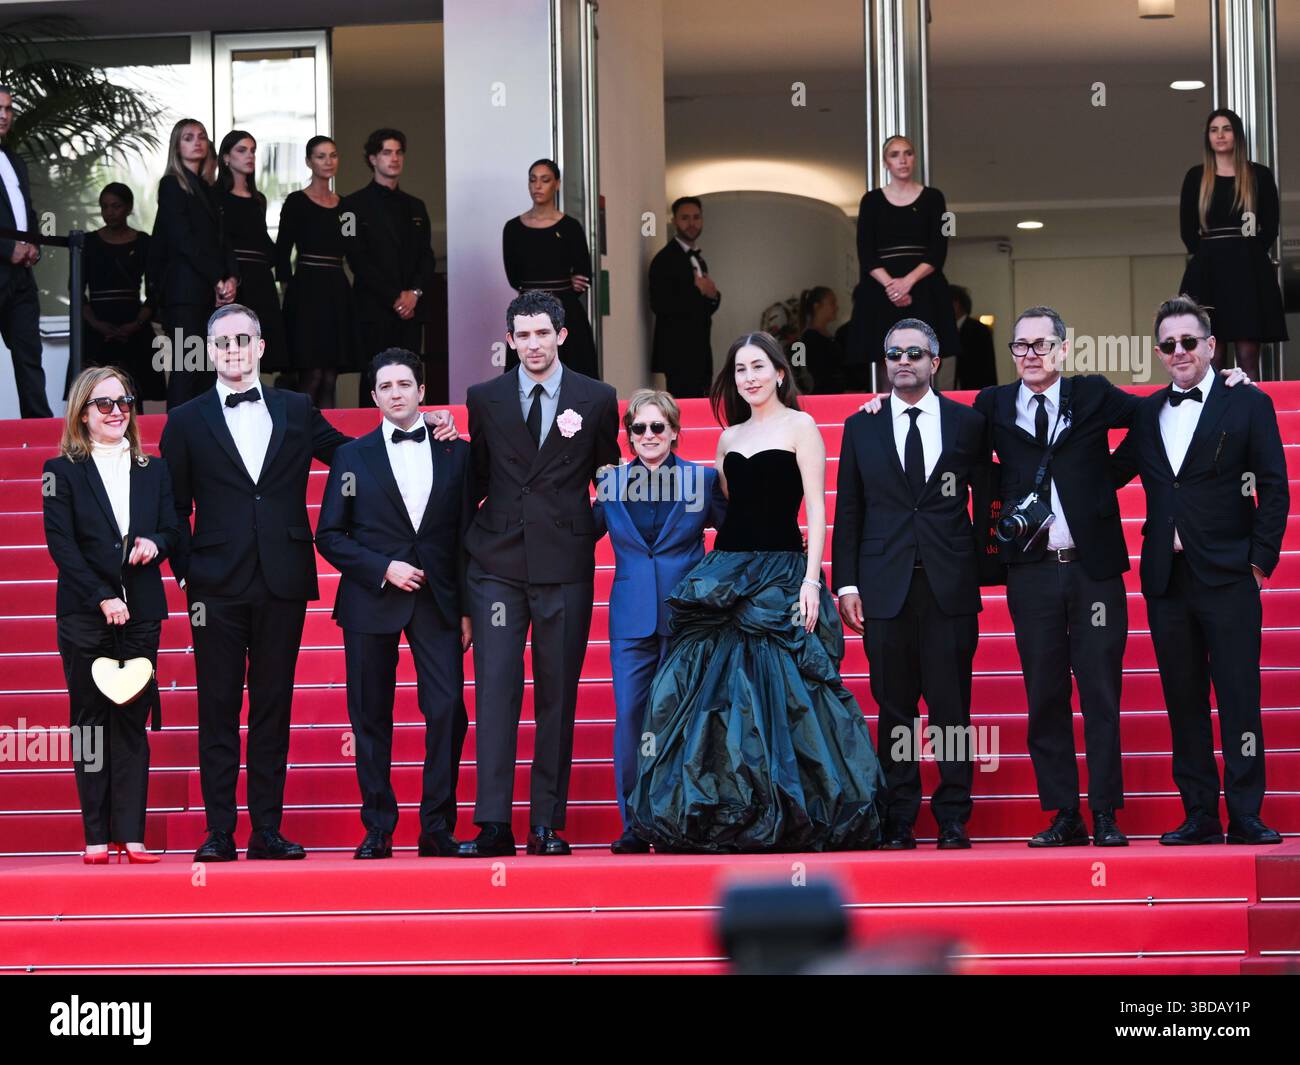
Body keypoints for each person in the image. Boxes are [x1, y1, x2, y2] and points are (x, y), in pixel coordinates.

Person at [160, 303, 458, 862]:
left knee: (274, 707)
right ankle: (219, 830)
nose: (232, 352)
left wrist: (428, 428)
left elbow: (357, 454)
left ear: (261, 347)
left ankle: (265, 831)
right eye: (222, 344)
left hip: (283, 579)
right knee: (217, 708)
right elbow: (174, 506)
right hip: (215, 586)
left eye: (242, 341)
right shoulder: (186, 419)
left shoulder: (296, 408)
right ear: (209, 351)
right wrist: (185, 572)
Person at [971, 306, 1250, 848]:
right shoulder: (993, 404)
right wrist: (880, 404)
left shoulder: (1091, 394)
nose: (1031, 355)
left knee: (1101, 694)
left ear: (1063, 349)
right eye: (1020, 346)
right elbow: (957, 445)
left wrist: (1227, 385)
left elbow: (1157, 411)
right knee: (1044, 697)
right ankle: (1063, 815)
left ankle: (1103, 813)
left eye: (1041, 345)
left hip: (1093, 571)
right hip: (1031, 573)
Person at [627, 332, 884, 853]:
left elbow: (817, 511)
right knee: (714, 699)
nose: (749, 377)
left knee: (787, 695)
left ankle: (791, 811)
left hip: (782, 574)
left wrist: (813, 582)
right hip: (726, 576)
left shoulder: (802, 426)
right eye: (740, 369)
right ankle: (725, 809)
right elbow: (725, 510)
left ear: (780, 373)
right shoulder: (727, 438)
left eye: (758, 367)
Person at [1111, 295, 1288, 846]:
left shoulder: (1247, 403)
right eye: (1169, 344)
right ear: (1160, 353)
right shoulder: (1146, 412)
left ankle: (1246, 811)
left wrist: (1259, 562)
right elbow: (1109, 474)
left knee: (1239, 697)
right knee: (1182, 700)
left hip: (1231, 575)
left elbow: (1275, 486)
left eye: (1189, 341)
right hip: (1168, 579)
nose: (1179, 351)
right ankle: (1199, 813)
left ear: (1211, 346)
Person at [458, 290, 620, 858]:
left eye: (542, 334)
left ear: (562, 336)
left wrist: (584, 525)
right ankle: (494, 823)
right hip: (496, 566)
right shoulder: (484, 398)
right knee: (496, 691)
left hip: (565, 567)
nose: (532, 344)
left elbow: (612, 478)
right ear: (510, 339)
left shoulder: (597, 398)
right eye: (522, 335)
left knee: (558, 696)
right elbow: (472, 481)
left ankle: (546, 824)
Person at [834, 319, 989, 850]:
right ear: (885, 361)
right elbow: (849, 509)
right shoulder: (863, 427)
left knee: (951, 708)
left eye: (915, 353)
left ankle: (952, 816)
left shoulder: (968, 424)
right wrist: (846, 582)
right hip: (883, 586)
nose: (904, 360)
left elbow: (989, 497)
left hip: (948, 586)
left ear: (934, 362)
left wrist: (987, 567)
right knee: (895, 708)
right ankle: (899, 815)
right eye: (895, 352)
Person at [316, 349, 472, 859]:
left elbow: (469, 534)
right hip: (370, 597)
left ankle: (437, 827)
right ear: (374, 396)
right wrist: (384, 567)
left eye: (405, 384)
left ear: (422, 392)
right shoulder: (351, 457)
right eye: (386, 386)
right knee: (369, 715)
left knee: (448, 709)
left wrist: (469, 606)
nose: (397, 393)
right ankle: (378, 827)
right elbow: (330, 535)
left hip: (438, 598)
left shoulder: (458, 452)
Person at [44, 367, 181, 863]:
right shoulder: (59, 472)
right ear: (83, 414)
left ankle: (134, 834)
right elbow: (62, 546)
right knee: (90, 724)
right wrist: (103, 595)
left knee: (132, 722)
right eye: (104, 404)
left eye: (124, 400)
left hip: (142, 611)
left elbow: (172, 528)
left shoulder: (154, 469)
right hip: (85, 612)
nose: (117, 411)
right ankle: (97, 838)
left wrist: (157, 543)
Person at [592, 389, 726, 854]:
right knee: (631, 720)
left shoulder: (702, 481)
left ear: (674, 431)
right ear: (628, 435)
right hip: (630, 621)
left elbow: (735, 534)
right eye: (639, 428)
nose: (649, 435)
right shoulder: (610, 483)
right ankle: (636, 824)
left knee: (684, 719)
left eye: (658, 427)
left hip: (687, 620)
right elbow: (573, 532)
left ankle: (681, 820)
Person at [1178, 108, 1287, 381]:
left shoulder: (1258, 175)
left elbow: (1270, 226)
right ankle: (1217, 420)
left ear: (1236, 135)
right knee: (1212, 353)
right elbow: (1187, 230)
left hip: (1247, 271)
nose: (1220, 135)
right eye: (1214, 130)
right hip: (1209, 270)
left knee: (1249, 353)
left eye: (1226, 129)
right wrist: (1206, 256)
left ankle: (1251, 417)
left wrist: (1248, 253)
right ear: (1208, 137)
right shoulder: (1196, 177)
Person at [848, 135, 960, 391]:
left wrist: (907, 283)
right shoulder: (872, 201)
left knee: (928, 351)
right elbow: (865, 252)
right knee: (884, 355)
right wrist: (891, 286)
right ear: (885, 162)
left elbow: (938, 250)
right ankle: (889, 419)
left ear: (914, 158)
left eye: (908, 153)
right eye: (895, 154)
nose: (903, 160)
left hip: (924, 285)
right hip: (880, 288)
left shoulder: (933, 198)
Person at [342, 128, 437, 407]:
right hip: (373, 308)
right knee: (374, 375)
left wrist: (414, 294)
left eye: (398, 152)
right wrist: (394, 297)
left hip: (410, 310)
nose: (394, 158)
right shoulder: (349, 207)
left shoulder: (417, 206)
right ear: (372, 158)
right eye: (386, 152)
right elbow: (356, 258)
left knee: (410, 374)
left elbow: (427, 256)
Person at [148, 118, 238, 409]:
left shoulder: (208, 189)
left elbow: (223, 241)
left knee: (207, 369)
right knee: (187, 366)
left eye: (201, 136)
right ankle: (175, 441)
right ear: (177, 145)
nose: (197, 141)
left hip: (208, 292)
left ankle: (199, 441)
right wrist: (217, 277)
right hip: (184, 293)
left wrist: (230, 277)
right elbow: (181, 239)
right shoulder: (172, 185)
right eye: (188, 137)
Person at [275, 136, 358, 409]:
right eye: (321, 156)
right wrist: (287, 290)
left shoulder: (347, 208)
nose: (328, 161)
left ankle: (328, 441)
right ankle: (303, 437)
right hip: (307, 289)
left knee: (331, 375)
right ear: (309, 162)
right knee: (312, 372)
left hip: (336, 288)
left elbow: (354, 249)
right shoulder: (296, 202)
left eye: (333, 155)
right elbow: (282, 250)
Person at [501, 159, 598, 378]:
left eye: (545, 180)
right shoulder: (513, 228)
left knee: (575, 373)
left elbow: (584, 274)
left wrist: (564, 287)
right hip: (526, 310)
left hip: (566, 311)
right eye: (533, 180)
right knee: (523, 375)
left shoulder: (570, 226)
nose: (537, 186)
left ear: (557, 184)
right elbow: (513, 275)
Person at [68, 183, 164, 404]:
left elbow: (154, 289)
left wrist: (137, 323)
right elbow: (75, 289)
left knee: (134, 392)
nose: (109, 212)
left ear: (129, 207)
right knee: (90, 393)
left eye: (116, 206)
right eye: (104, 207)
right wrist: (96, 324)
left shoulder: (143, 242)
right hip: (96, 324)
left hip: (133, 322)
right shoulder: (88, 242)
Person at [0, 85, 52, 418]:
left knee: (29, 356)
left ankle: (40, 432)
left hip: (21, 279)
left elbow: (27, 212)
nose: (3, 115)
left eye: (8, 109)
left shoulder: (14, 161)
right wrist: (8, 249)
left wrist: (33, 244)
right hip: (4, 265)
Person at [217, 130, 287, 376]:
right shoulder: (216, 197)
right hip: (236, 278)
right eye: (241, 150)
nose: (250, 156)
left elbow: (262, 241)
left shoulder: (259, 199)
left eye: (253, 150)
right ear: (226, 157)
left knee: (257, 352)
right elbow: (218, 242)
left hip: (261, 279)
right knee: (233, 349)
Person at [649, 196, 720, 398]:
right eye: (685, 218)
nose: (691, 223)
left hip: (700, 349)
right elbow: (659, 304)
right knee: (684, 408)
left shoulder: (698, 259)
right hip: (678, 352)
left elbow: (705, 305)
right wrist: (697, 291)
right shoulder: (664, 259)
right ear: (674, 221)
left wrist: (713, 295)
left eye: (696, 217)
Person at [795, 286, 845, 395]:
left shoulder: (830, 337)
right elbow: (819, 376)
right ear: (817, 306)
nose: (836, 307)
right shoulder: (809, 339)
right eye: (832, 303)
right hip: (822, 398)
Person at [951, 285, 997, 390]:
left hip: (975, 391)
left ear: (956, 304)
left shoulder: (978, 329)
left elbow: (986, 368)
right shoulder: (947, 331)